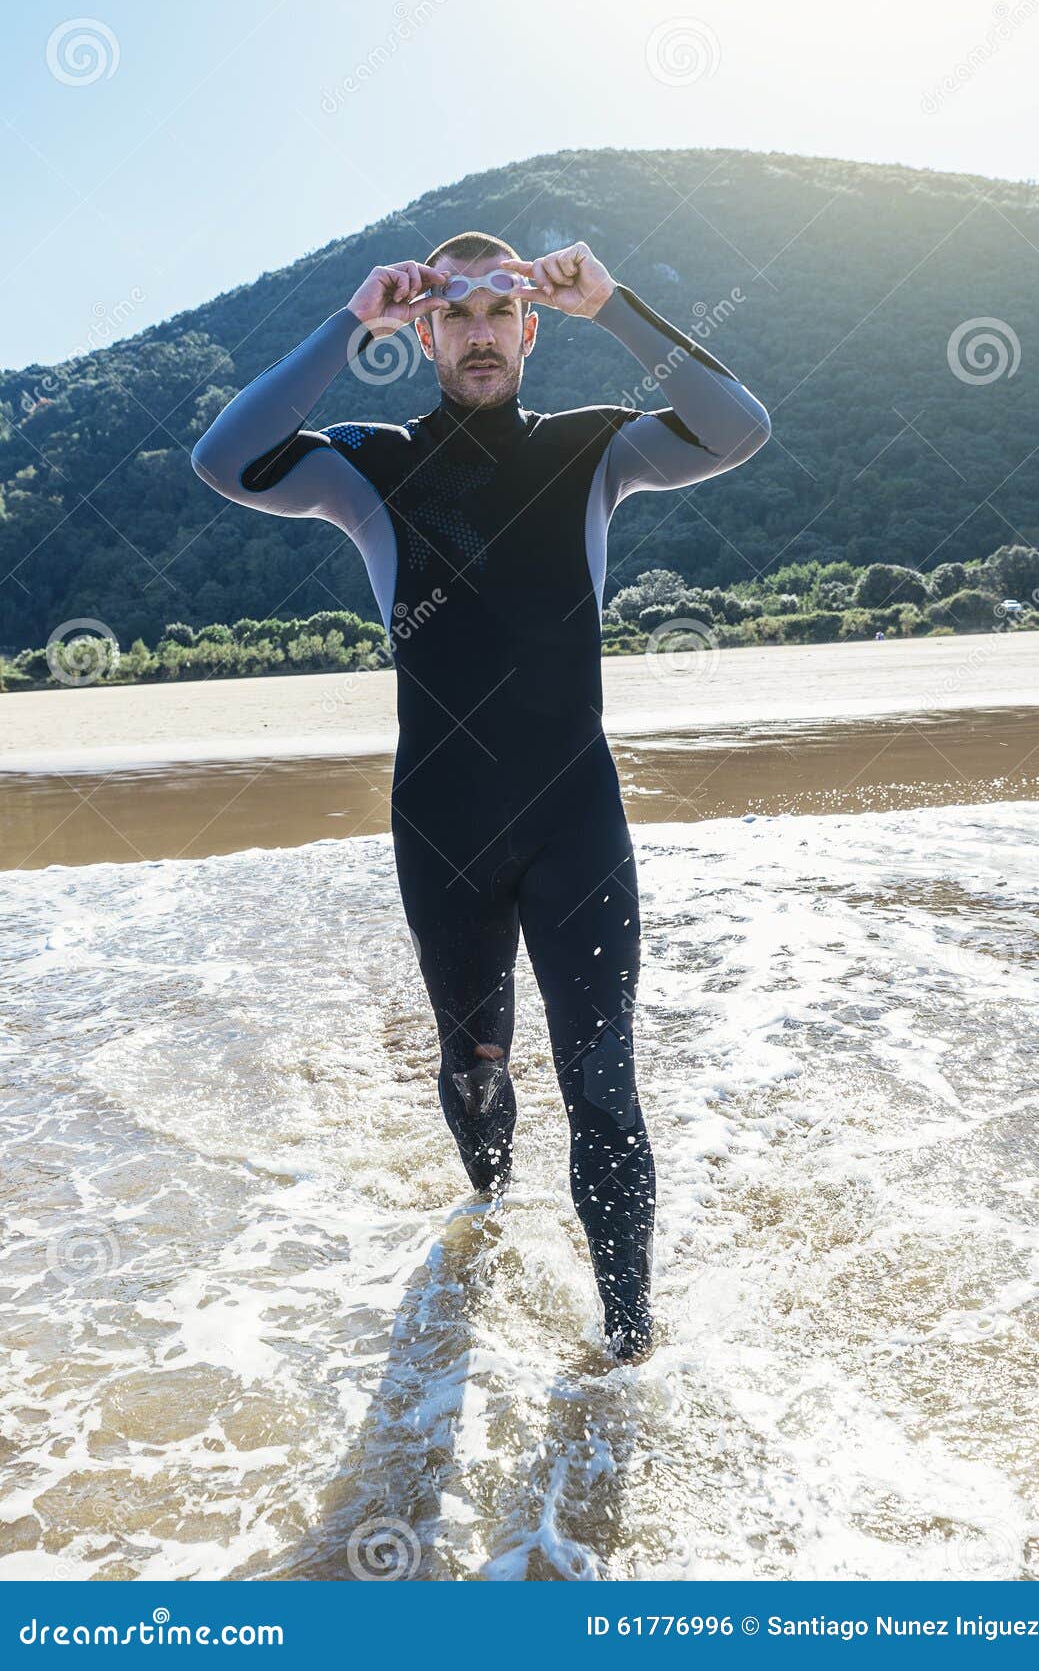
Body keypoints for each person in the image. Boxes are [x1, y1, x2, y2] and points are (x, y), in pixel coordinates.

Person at [191, 233, 771, 1361]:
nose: (479, 332)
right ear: (422, 335)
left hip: (576, 817)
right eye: (452, 314)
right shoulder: (373, 463)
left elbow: (740, 427)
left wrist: (617, 303)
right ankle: (490, 1207)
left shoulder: (592, 449)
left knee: (603, 1082)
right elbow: (226, 458)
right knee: (476, 1066)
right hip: (442, 827)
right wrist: (346, 318)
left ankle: (627, 1350)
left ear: (531, 329)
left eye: (499, 311)